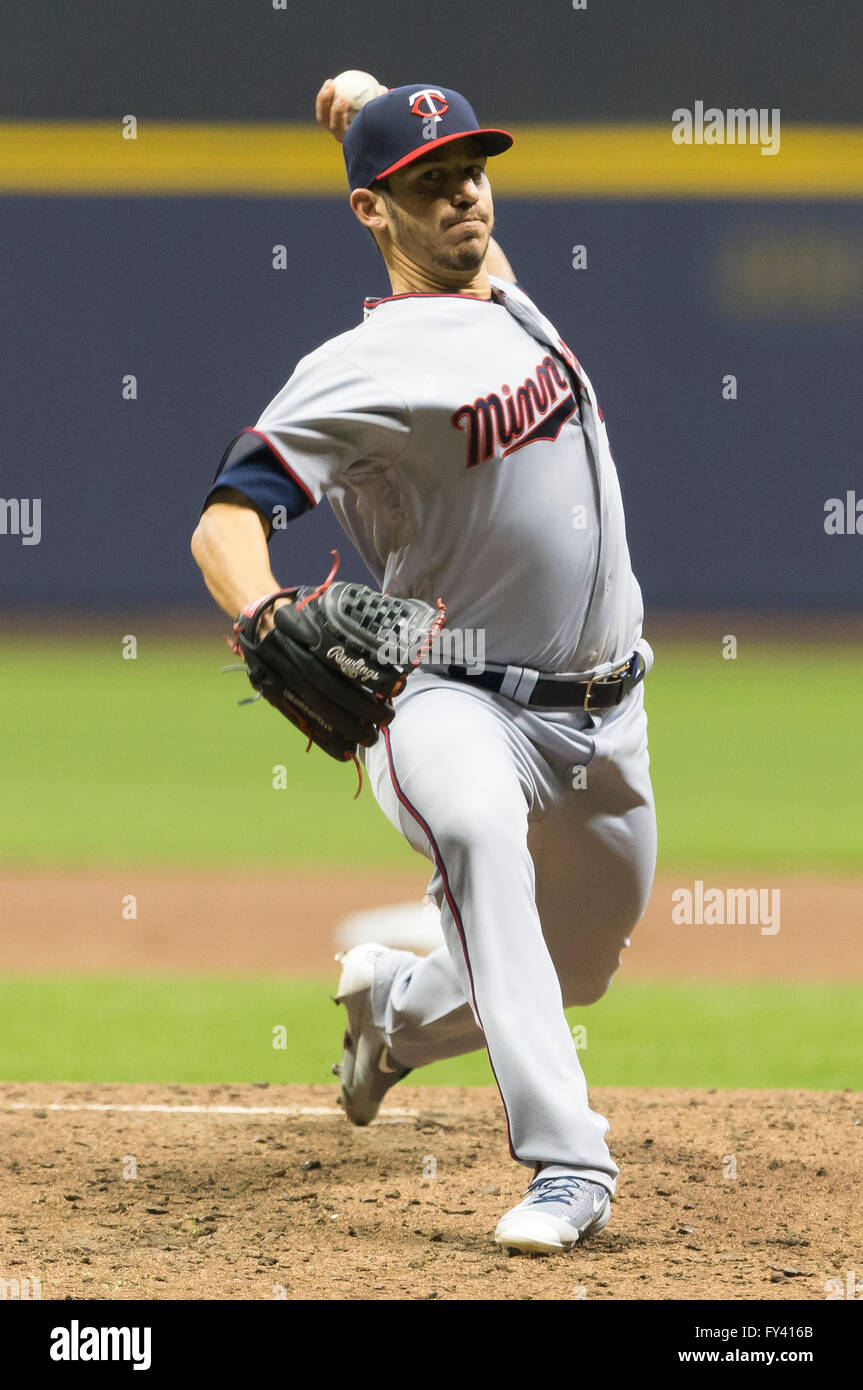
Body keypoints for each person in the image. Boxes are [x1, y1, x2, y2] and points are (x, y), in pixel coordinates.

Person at [191, 80, 657, 1255]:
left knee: (580, 969)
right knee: (479, 840)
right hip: (450, 693)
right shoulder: (364, 362)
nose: (462, 193)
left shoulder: (504, 297)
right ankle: (567, 1162)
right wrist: (257, 620)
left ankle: (390, 1015)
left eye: (471, 170)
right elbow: (224, 520)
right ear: (369, 211)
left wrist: (363, 90)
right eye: (427, 182)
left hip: (606, 712)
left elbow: (421, 144)